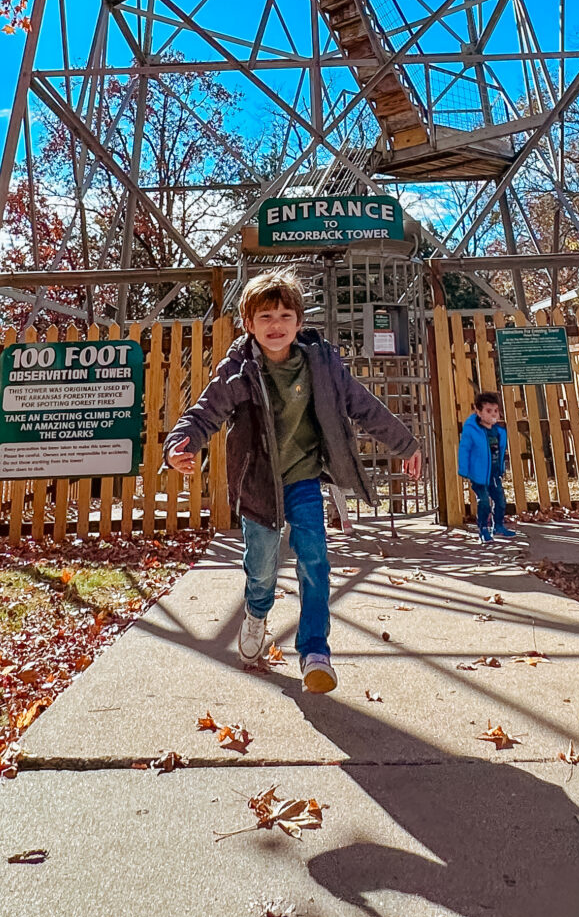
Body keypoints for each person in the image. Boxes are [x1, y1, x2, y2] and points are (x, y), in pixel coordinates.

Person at [164, 270, 421, 694]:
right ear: (248, 324)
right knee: (262, 568)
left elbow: (364, 406)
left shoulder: (322, 365)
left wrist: (406, 444)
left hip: (303, 477)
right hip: (259, 482)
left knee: (315, 560)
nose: (276, 324)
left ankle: (315, 651)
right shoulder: (238, 370)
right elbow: (204, 412)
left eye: (285, 314)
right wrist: (182, 443)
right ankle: (256, 612)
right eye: (265, 316)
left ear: (300, 322)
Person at [458, 388, 517, 545]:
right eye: (489, 411)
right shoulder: (472, 431)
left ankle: (498, 526)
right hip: (479, 474)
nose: (493, 414)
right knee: (484, 501)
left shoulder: (499, 432)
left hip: (494, 473)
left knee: (500, 500)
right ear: (478, 411)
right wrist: (463, 469)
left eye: (496, 411)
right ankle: (483, 529)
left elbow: (500, 451)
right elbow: (464, 449)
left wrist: (501, 468)